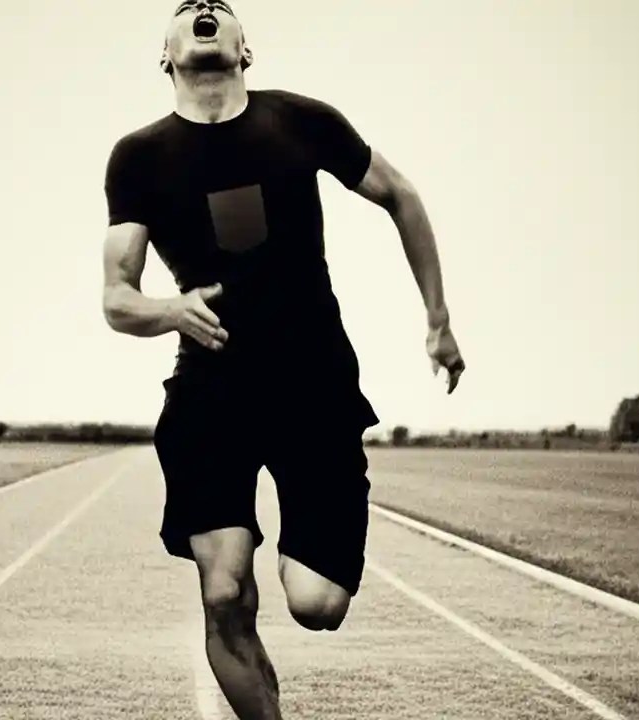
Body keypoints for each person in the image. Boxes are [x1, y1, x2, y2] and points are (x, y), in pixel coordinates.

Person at [100, 2, 465, 717]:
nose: (205, 7)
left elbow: (401, 195)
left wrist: (439, 322)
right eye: (189, 9)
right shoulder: (139, 157)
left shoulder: (300, 122)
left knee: (316, 604)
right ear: (165, 57)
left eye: (219, 8)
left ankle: (314, 542)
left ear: (246, 50)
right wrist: (170, 310)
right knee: (225, 592)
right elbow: (117, 296)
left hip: (313, 383)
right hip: (210, 389)